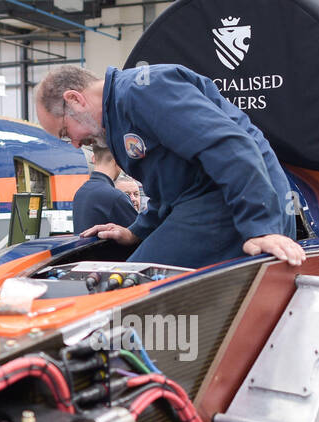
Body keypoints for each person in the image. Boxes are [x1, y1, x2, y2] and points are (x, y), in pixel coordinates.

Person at [34, 64, 305, 269]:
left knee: (132, 289)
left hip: (232, 205)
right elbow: (169, 187)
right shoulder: (118, 118)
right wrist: (137, 230)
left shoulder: (142, 91)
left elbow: (229, 146)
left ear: (74, 99)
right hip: (209, 202)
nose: (75, 144)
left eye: (66, 133)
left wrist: (261, 227)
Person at [72, 146, 137, 235]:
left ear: (93, 159)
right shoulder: (116, 197)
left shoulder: (80, 192)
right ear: (117, 160)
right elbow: (138, 237)